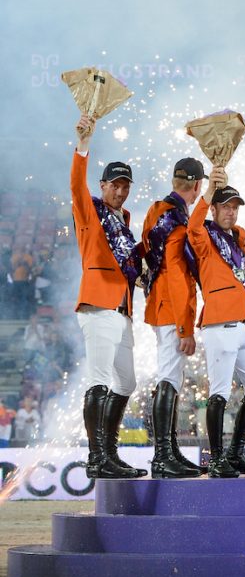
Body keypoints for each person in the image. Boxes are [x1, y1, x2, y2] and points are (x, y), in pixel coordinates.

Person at [187, 167, 245, 478]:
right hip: (219, 324)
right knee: (219, 392)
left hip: (244, 326)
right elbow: (192, 226)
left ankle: (235, 454)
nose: (230, 212)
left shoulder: (240, 239)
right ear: (214, 208)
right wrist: (209, 192)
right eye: (225, 206)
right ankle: (216, 460)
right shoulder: (204, 237)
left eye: (234, 207)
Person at [70, 113, 146, 479]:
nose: (120, 190)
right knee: (99, 379)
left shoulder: (124, 223)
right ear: (102, 185)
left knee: (126, 382)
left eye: (125, 185)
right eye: (114, 184)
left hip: (123, 311)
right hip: (98, 306)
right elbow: (75, 186)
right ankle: (96, 457)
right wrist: (83, 145)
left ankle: (109, 453)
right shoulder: (90, 213)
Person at [140, 157, 205, 479]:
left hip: (157, 306)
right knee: (169, 379)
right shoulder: (178, 221)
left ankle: (169, 451)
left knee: (170, 379)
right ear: (197, 186)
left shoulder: (156, 210)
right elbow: (178, 276)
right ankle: (163, 457)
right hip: (171, 311)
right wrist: (185, 327)